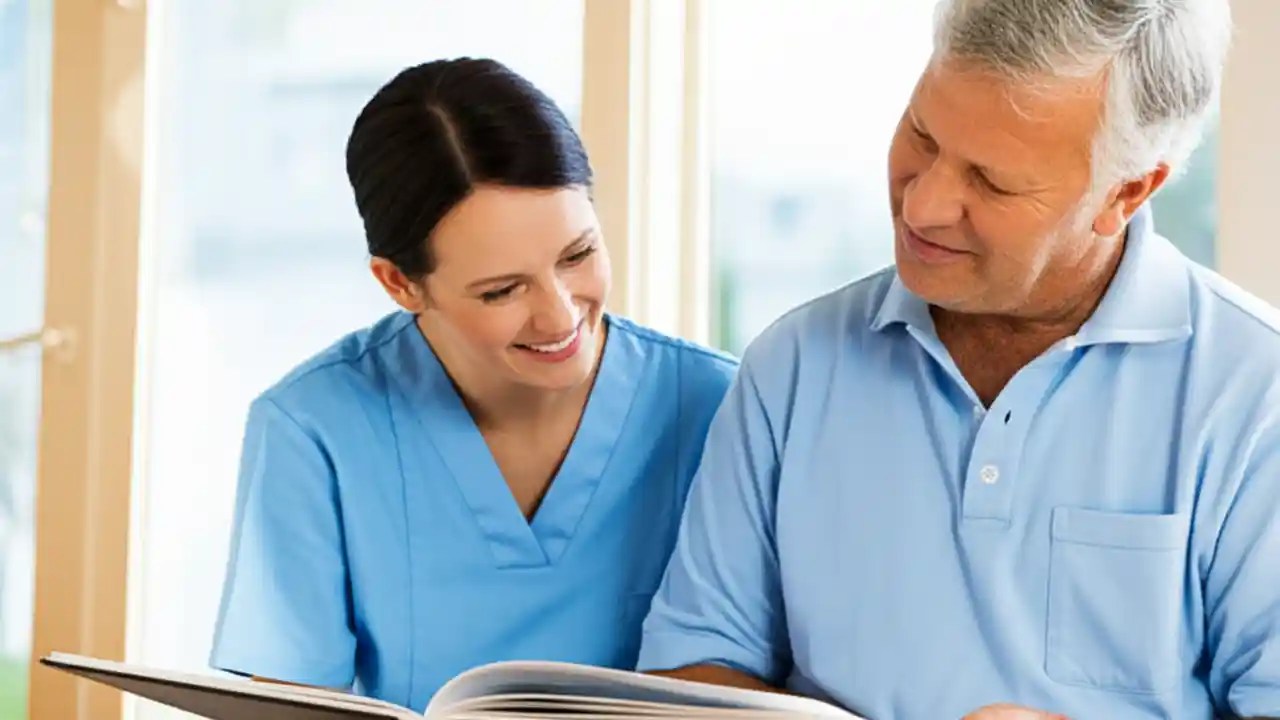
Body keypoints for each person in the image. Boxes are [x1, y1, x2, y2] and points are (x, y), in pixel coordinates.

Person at [637, 1, 1279, 718]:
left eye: (993, 181)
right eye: (922, 134)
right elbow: (691, 673)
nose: (924, 205)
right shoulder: (793, 364)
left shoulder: (1256, 398)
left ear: (1127, 192)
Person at [208, 57, 738, 710]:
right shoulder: (313, 430)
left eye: (577, 255)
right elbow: (290, 704)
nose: (560, 314)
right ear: (400, 284)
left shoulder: (721, 407)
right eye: (502, 290)